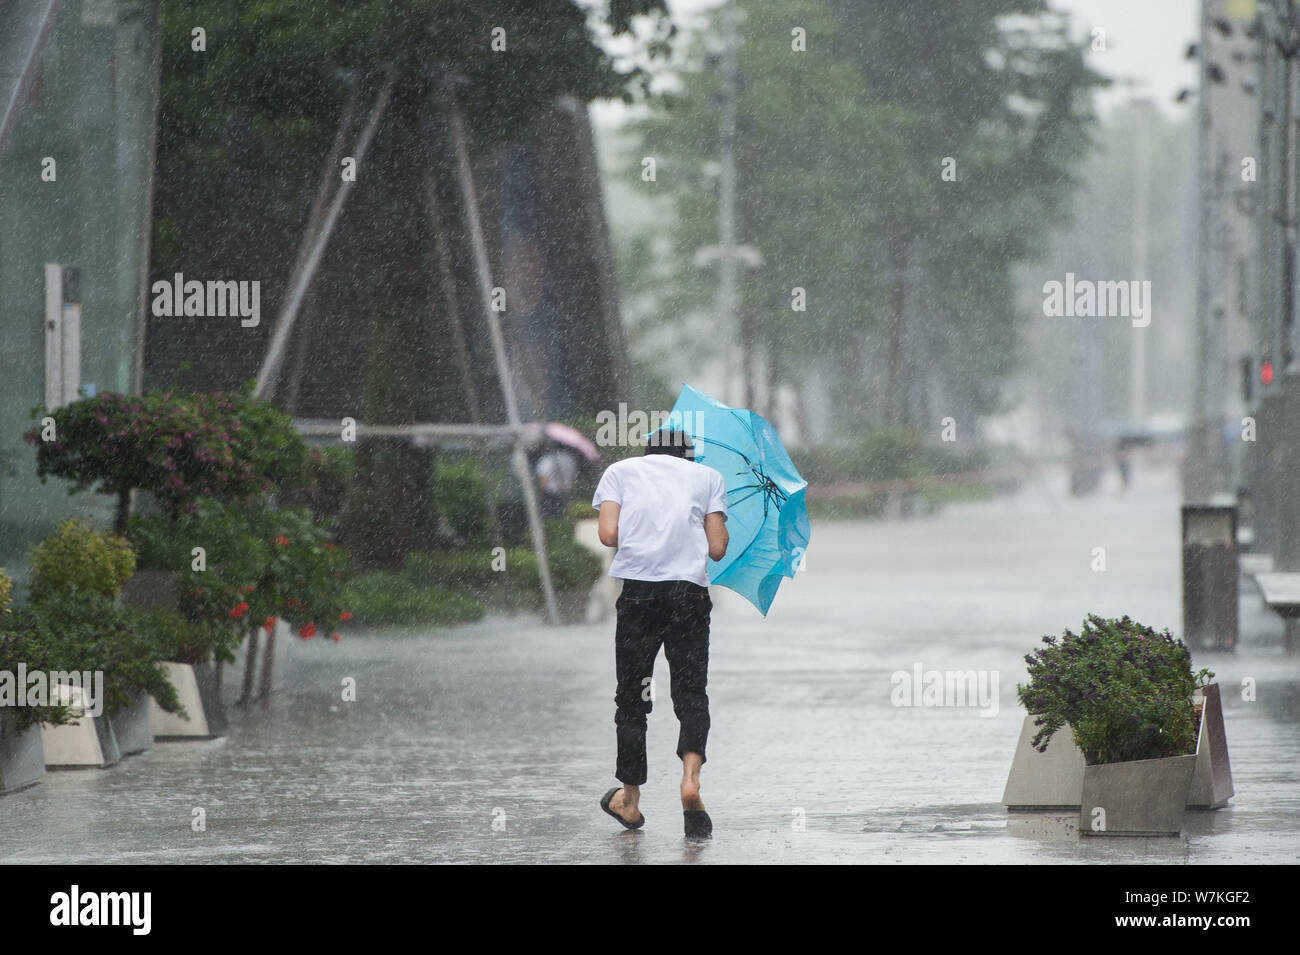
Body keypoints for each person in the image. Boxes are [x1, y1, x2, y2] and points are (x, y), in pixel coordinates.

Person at [591, 428, 729, 839]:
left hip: (638, 594)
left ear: (647, 451)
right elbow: (717, 548)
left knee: (633, 697)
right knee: (690, 691)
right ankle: (690, 782)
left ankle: (629, 799)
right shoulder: (707, 478)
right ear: (688, 456)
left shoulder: (621, 472)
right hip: (688, 594)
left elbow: (608, 535)